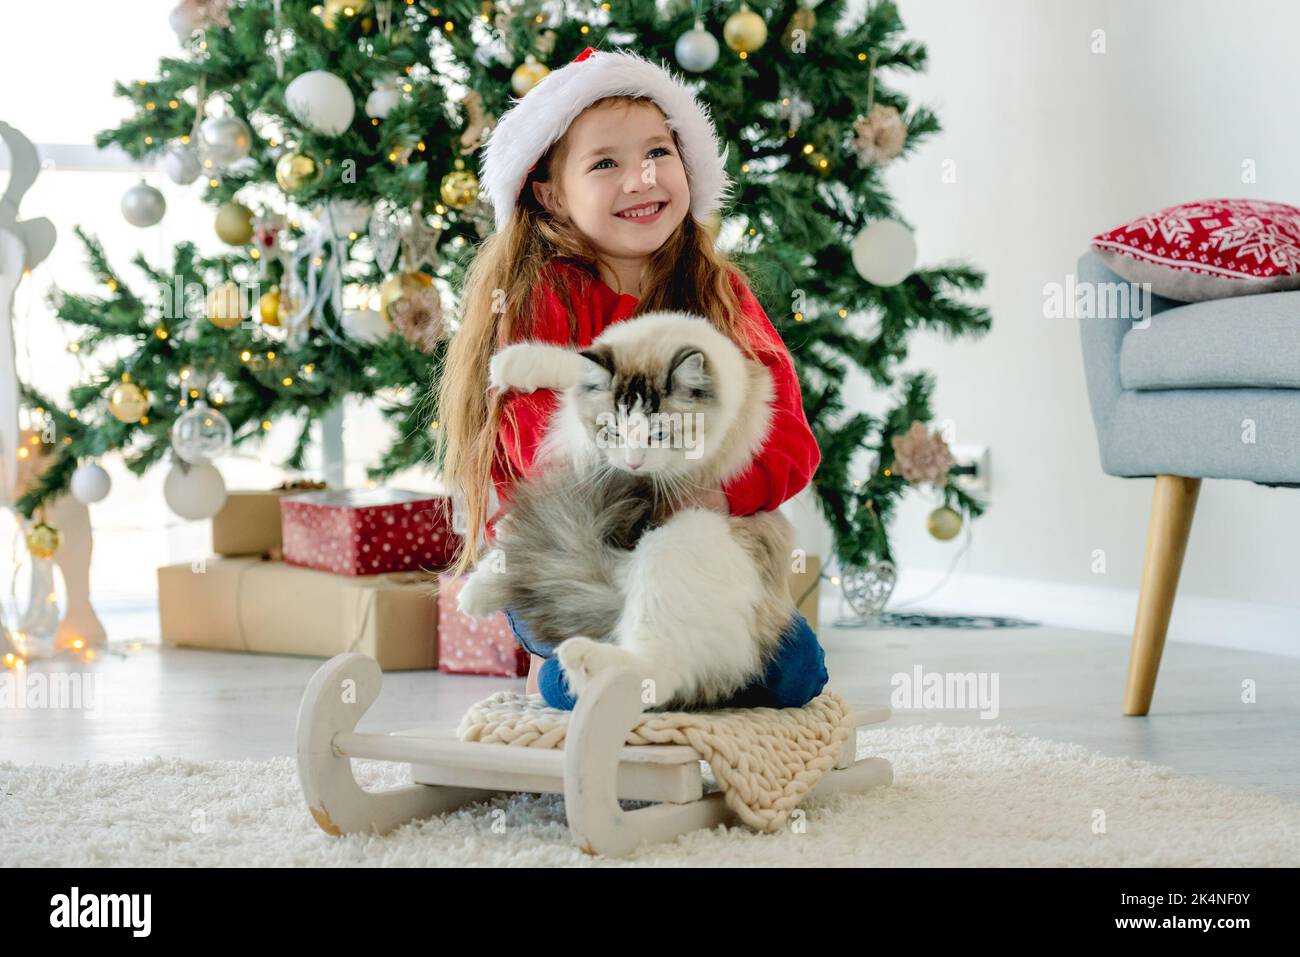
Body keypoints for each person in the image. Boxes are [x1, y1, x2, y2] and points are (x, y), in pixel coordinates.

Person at [438, 47, 825, 709]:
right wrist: (653, 485)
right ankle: (623, 665)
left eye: (657, 153)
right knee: (571, 676)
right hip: (586, 548)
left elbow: (791, 440)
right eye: (605, 163)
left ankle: (669, 668)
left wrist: (719, 497)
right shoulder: (541, 298)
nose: (641, 179)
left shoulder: (720, 293)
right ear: (550, 192)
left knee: (796, 673)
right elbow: (545, 453)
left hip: (700, 548)